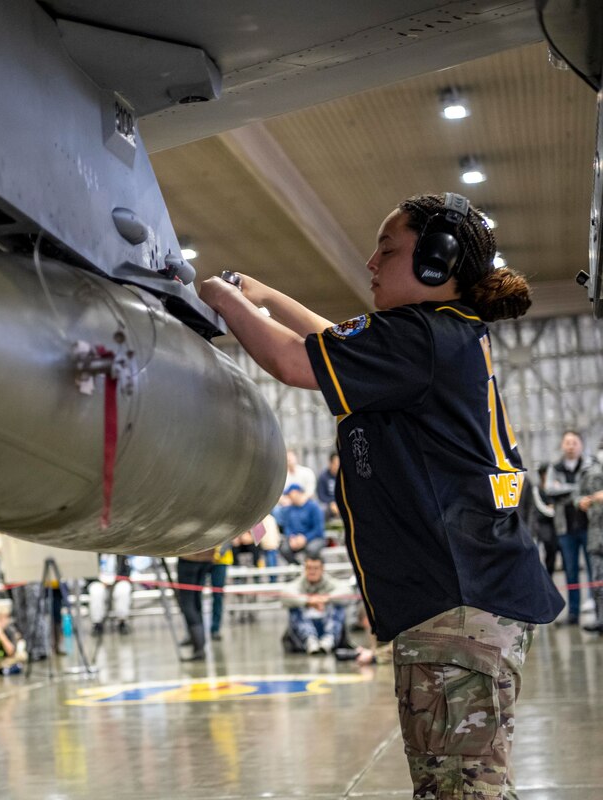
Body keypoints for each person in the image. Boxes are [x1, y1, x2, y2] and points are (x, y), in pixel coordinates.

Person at [197, 192, 563, 799]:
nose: (370, 263)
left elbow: (292, 362)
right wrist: (265, 296)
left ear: (436, 261)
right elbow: (331, 341)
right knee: (471, 784)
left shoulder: (418, 337)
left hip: (455, 604)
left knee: (456, 791)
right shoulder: (438, 336)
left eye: (387, 249)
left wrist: (219, 297)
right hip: (472, 600)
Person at [546, 431, 596, 624]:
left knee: (594, 570)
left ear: (581, 445)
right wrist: (578, 491)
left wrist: (563, 489)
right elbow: (550, 489)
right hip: (565, 529)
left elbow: (594, 490)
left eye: (574, 442)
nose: (571, 446)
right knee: (571, 571)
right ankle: (573, 613)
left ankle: (598, 612)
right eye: (567, 442)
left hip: (589, 527)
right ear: (562, 445)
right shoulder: (555, 467)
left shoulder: (590, 465)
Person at [282, 556, 351, 654]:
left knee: (338, 605)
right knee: (294, 608)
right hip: (303, 632)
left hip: (327, 624)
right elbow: (285, 594)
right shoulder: (299, 583)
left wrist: (326, 598)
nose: (312, 572)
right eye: (309, 568)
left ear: (322, 569)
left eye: (315, 568)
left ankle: (329, 639)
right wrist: (309, 601)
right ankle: (310, 640)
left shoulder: (329, 581)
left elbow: (347, 591)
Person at [176, 544, 232, 659]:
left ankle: (199, 648)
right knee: (195, 601)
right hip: (206, 557)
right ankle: (198, 645)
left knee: (188, 603)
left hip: (190, 557)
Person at [573, 458, 603, 632]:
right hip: (596, 536)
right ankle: (600, 620)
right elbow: (576, 494)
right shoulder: (590, 472)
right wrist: (580, 501)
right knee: (598, 582)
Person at [273, 484, 326, 564]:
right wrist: (292, 538)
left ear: (296, 492)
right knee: (284, 549)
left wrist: (305, 538)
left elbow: (318, 529)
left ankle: (313, 568)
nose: (288, 497)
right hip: (296, 539)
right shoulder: (289, 509)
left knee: (312, 549)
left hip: (313, 538)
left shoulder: (314, 507)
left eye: (290, 494)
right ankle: (297, 567)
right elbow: (287, 527)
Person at [88, 554, 133, 636]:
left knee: (123, 589)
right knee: (96, 591)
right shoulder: (94, 555)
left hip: (117, 582)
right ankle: (97, 623)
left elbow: (127, 572)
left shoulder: (121, 555)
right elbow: (89, 574)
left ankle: (122, 621)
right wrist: (101, 580)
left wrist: (115, 580)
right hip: (99, 582)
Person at [315, 453, 342, 527]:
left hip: (342, 502)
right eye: (335, 464)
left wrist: (339, 503)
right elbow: (321, 495)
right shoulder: (323, 477)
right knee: (321, 509)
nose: (337, 466)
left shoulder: (343, 477)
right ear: (330, 463)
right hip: (328, 504)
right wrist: (332, 503)